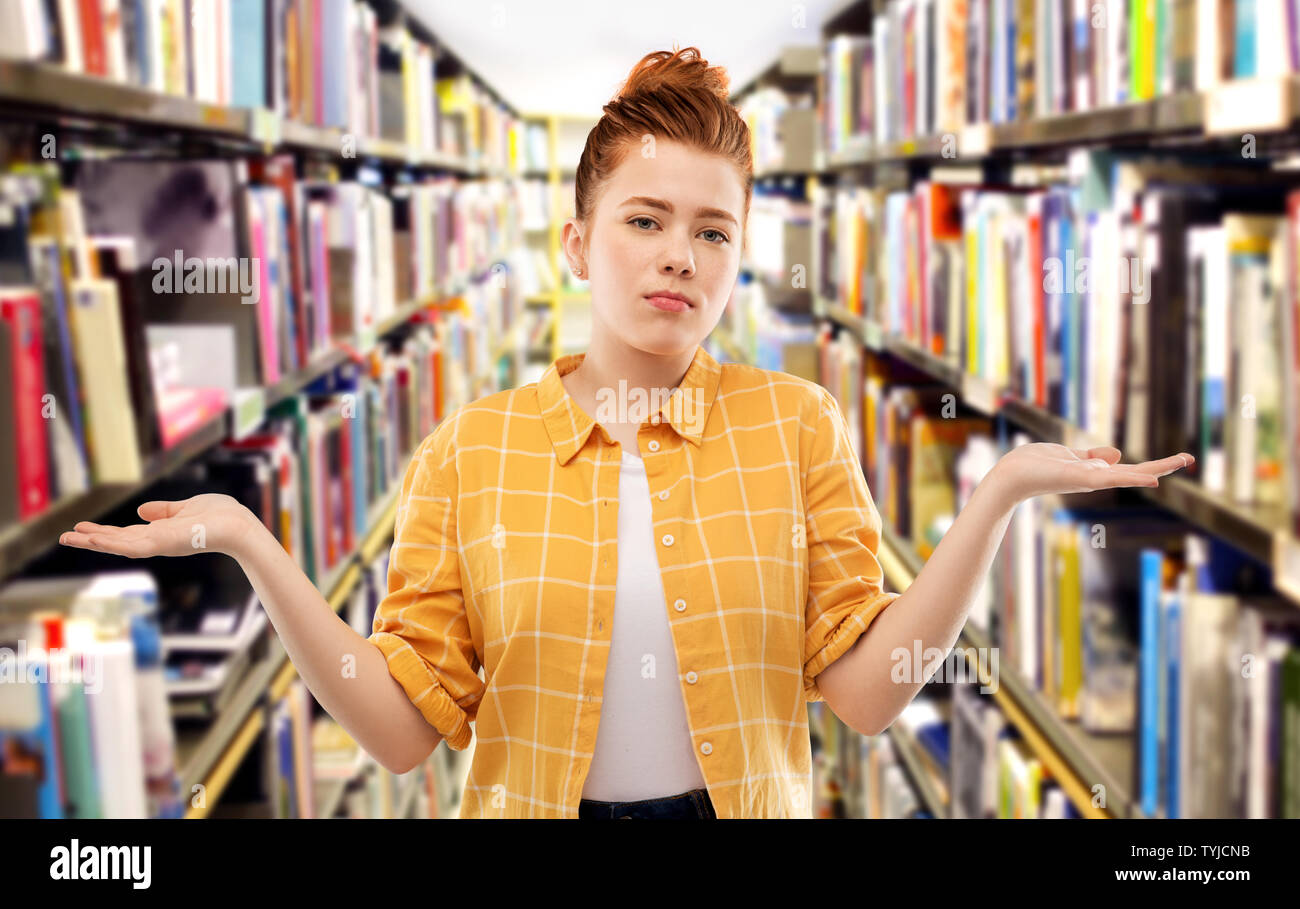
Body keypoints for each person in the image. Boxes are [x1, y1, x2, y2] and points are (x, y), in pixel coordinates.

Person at [58, 47, 1194, 819]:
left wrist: (993, 502)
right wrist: (256, 547)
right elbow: (403, 735)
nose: (677, 257)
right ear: (574, 242)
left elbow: (865, 694)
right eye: (644, 220)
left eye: (713, 232)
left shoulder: (799, 424)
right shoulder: (471, 446)